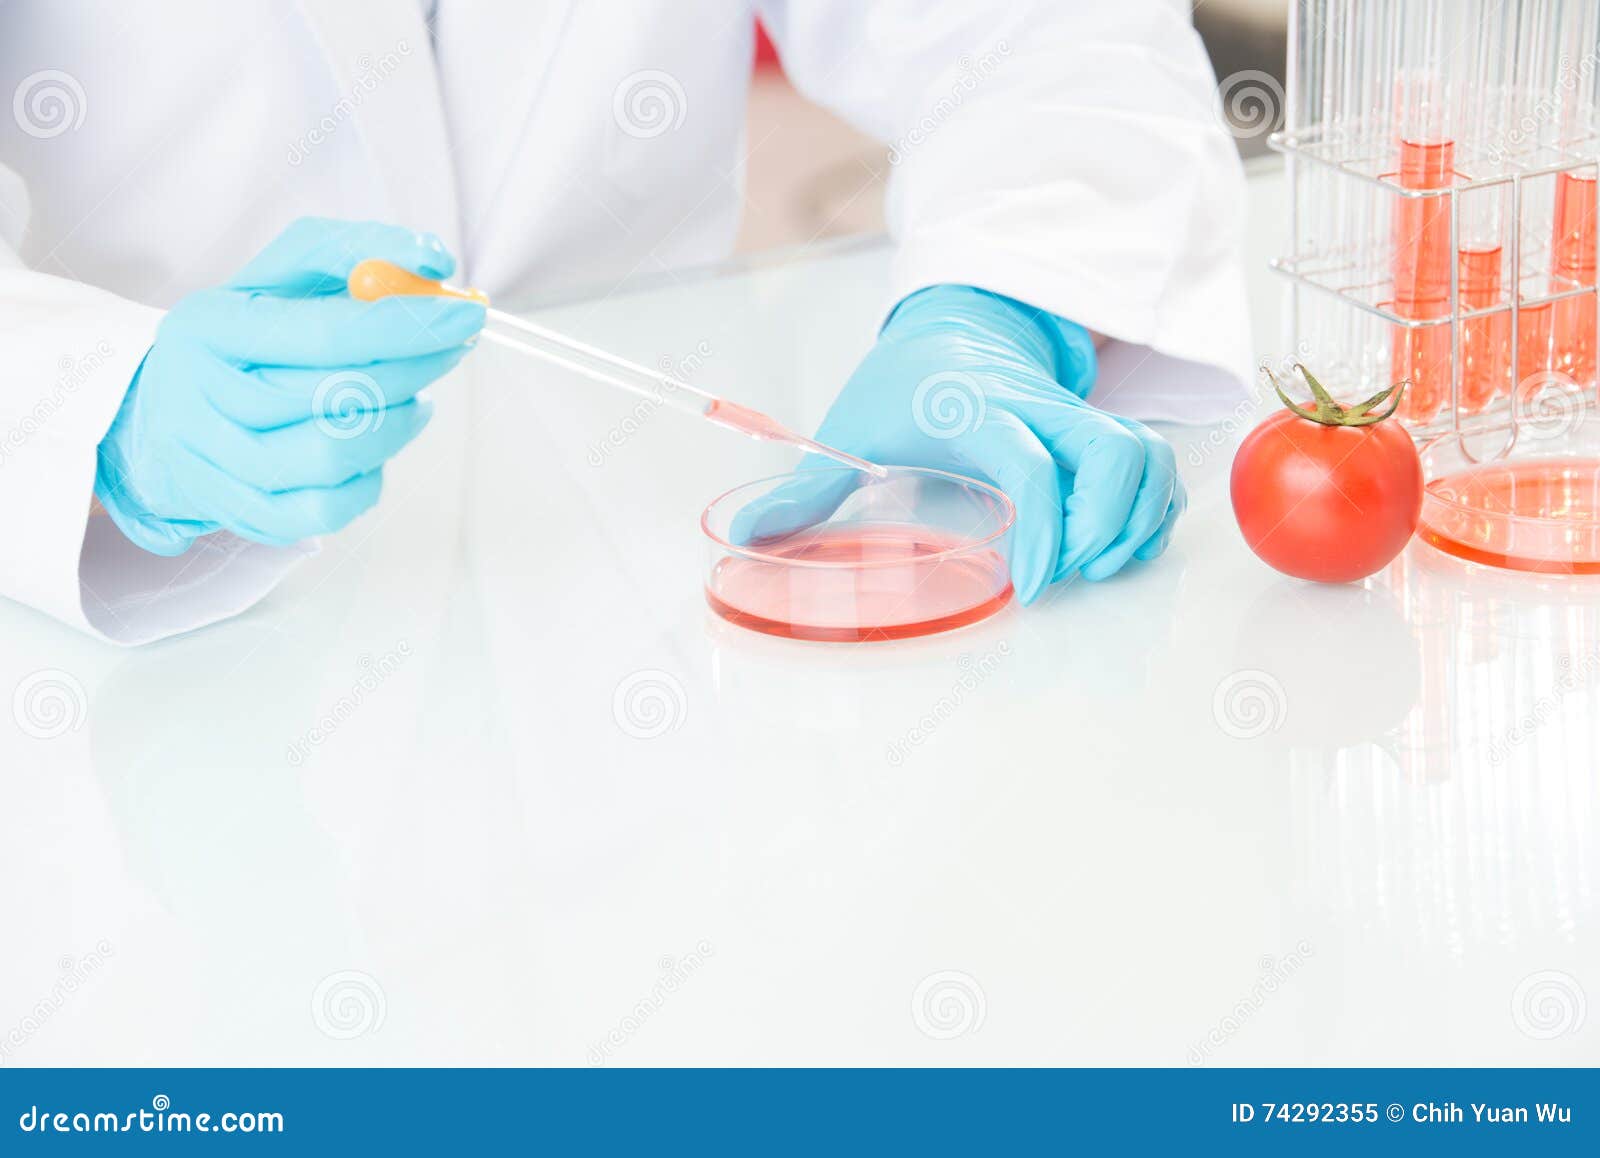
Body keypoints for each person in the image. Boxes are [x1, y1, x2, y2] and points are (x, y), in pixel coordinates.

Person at [0, 0, 1250, 644]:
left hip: (624, 569)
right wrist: (98, 416)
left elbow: (1031, 29)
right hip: (115, 613)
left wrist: (1005, 302)